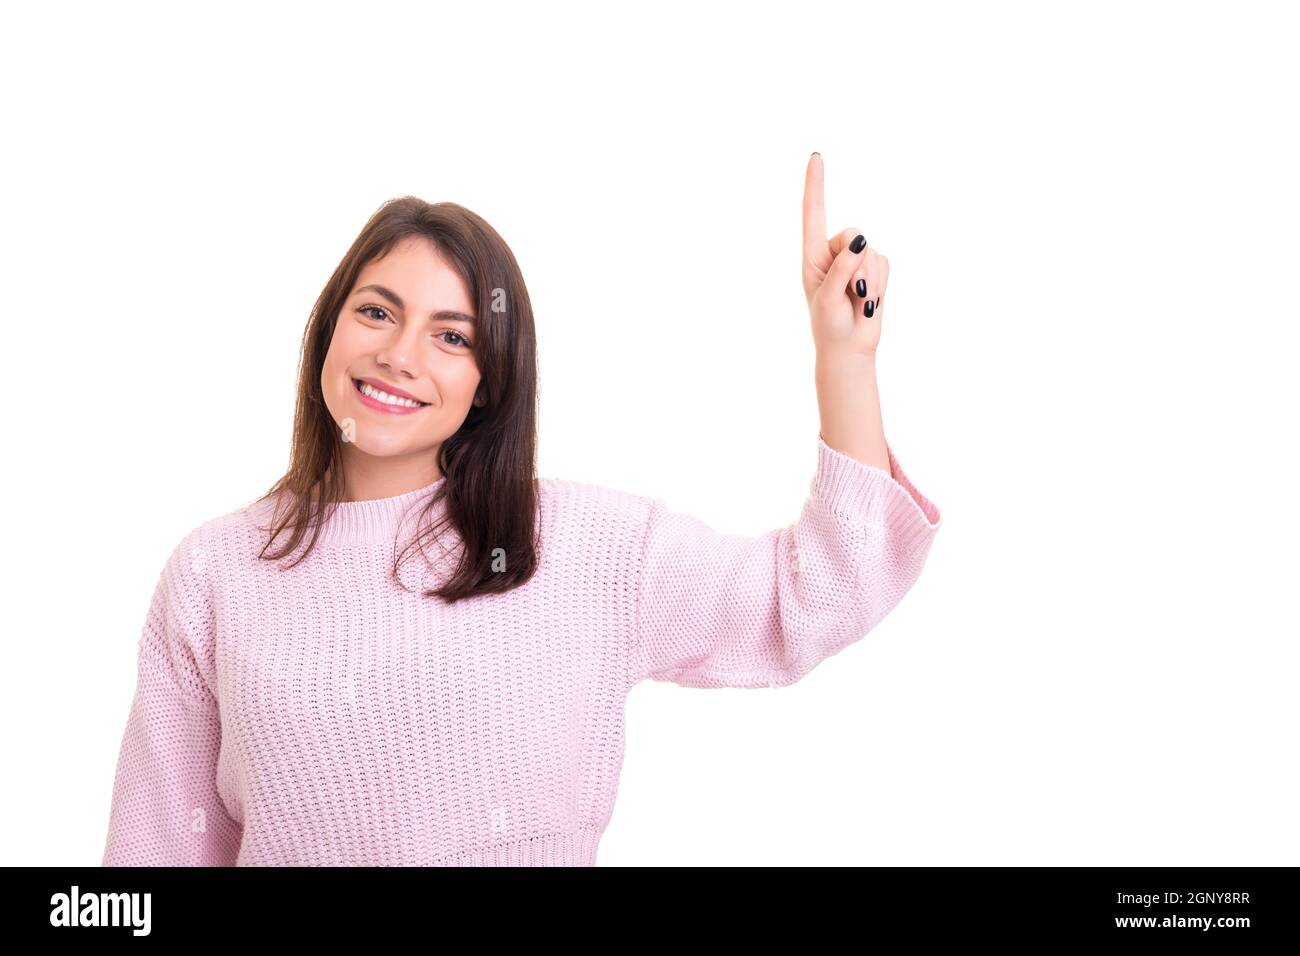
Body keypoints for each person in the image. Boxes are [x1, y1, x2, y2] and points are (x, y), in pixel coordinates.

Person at [100, 153, 943, 866]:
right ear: (329, 330)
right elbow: (155, 857)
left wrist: (846, 358)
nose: (398, 356)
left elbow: (822, 592)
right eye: (376, 312)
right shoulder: (215, 574)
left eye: (452, 335)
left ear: (488, 381)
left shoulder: (586, 549)